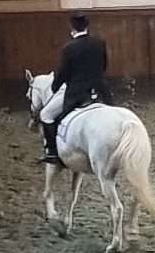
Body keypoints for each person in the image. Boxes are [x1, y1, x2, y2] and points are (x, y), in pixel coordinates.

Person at [43, 13, 109, 164]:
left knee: (46, 115)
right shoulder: (99, 43)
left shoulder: (68, 48)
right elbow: (104, 66)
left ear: (71, 28)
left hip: (77, 93)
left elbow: (63, 73)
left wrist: (55, 86)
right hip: (100, 90)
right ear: (87, 26)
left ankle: (53, 153)